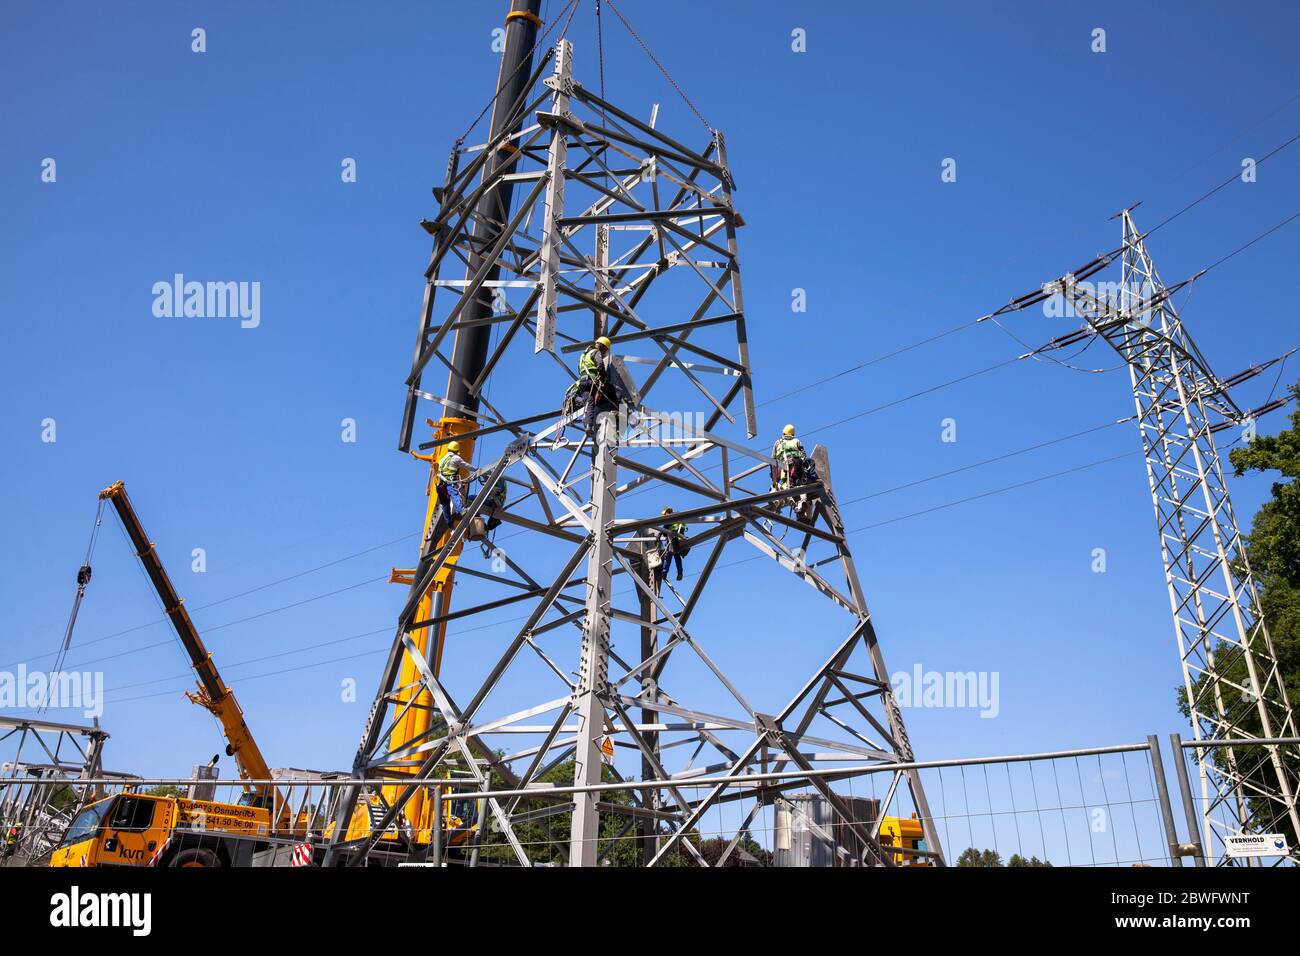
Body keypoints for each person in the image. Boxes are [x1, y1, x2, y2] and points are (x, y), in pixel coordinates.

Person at [563, 336, 615, 432]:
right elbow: (600, 365)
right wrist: (603, 378)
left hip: (583, 382)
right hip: (591, 381)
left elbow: (580, 369)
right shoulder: (596, 352)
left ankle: (588, 425)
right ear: (603, 346)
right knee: (606, 395)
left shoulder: (584, 355)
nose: (604, 354)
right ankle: (614, 411)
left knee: (589, 402)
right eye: (605, 350)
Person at [435, 440, 471, 523]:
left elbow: (439, 473)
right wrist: (476, 469)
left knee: (445, 504)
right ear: (456, 450)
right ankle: (461, 510)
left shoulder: (442, 460)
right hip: (448, 483)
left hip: (440, 486)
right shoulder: (455, 458)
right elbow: (466, 465)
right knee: (454, 494)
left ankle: (449, 522)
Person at [771, 424, 807, 490]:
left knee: (779, 479)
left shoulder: (778, 442)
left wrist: (773, 477)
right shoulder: (796, 441)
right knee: (810, 463)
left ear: (783, 433)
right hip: (796, 464)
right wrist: (804, 461)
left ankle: (775, 487)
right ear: (793, 434)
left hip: (782, 465)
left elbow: (772, 459)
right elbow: (803, 454)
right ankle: (806, 479)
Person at [659, 507, 688, 581]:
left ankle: (664, 573)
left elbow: (664, 528)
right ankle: (680, 573)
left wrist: (658, 535)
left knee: (669, 555)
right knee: (677, 556)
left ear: (667, 512)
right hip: (680, 538)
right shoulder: (677, 516)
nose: (665, 516)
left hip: (674, 539)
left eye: (665, 515)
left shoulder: (671, 518)